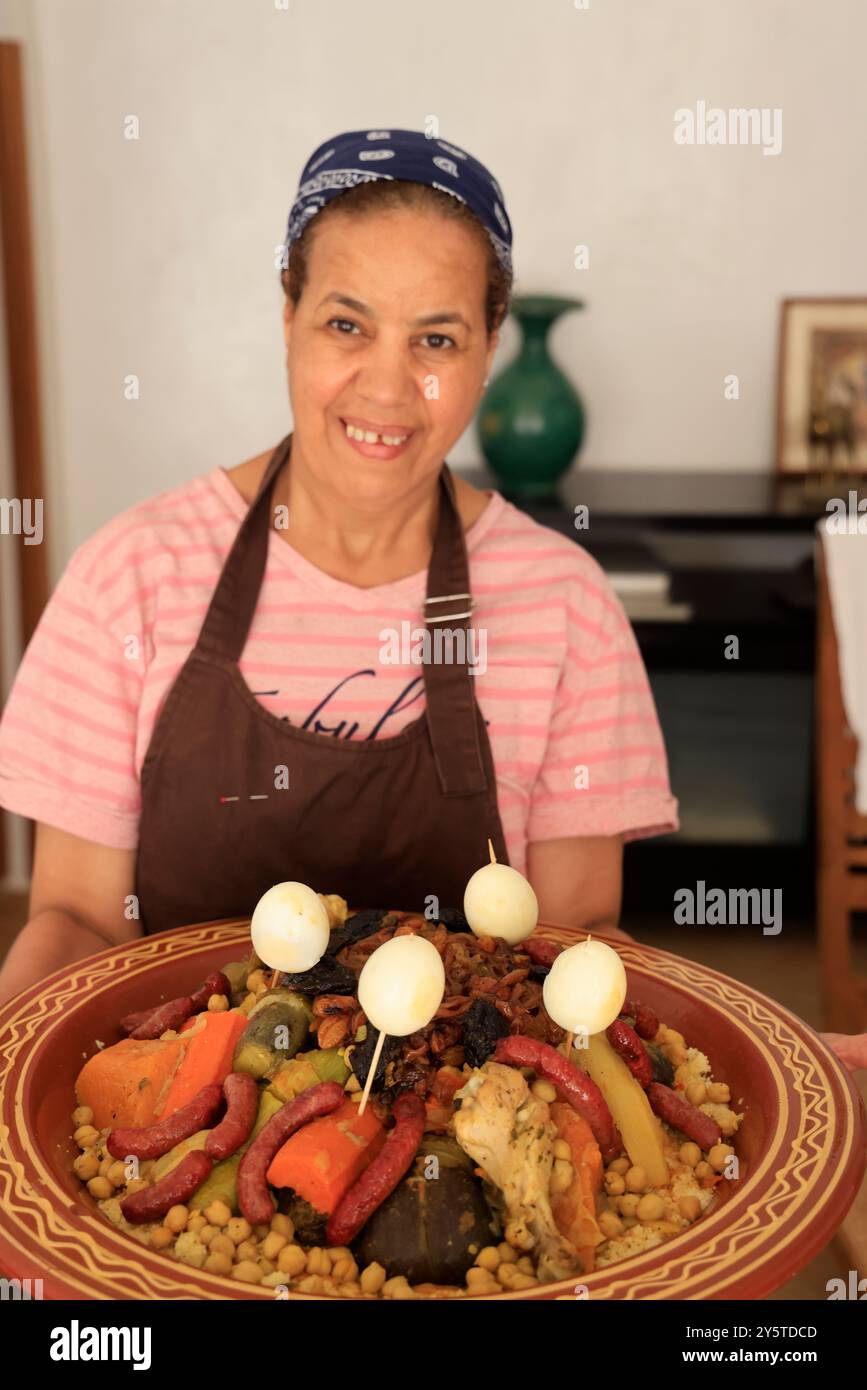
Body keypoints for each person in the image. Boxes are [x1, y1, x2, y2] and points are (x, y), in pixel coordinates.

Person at [0, 128, 857, 1077]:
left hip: (473, 1125)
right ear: (286, 314)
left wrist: (762, 1063)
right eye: (345, 324)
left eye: (437, 339)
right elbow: (77, 920)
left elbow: (582, 950)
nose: (386, 385)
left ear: (489, 346)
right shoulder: (132, 575)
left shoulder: (563, 603)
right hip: (178, 1118)